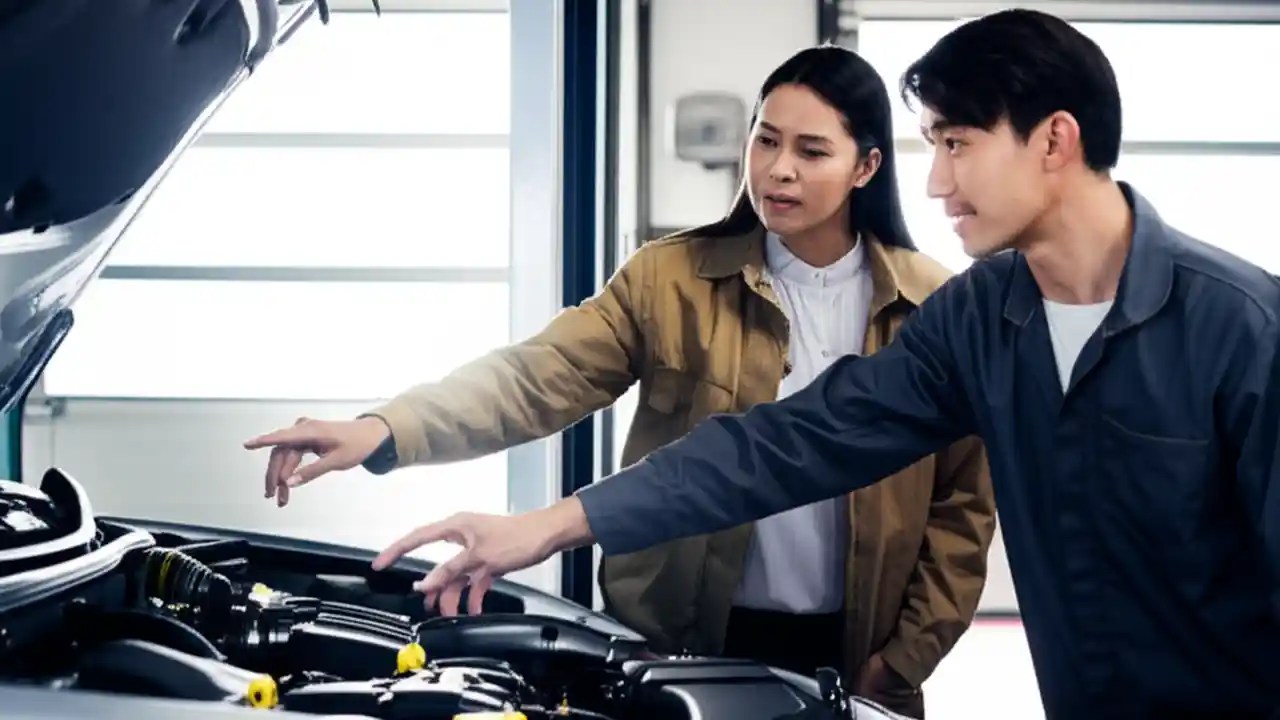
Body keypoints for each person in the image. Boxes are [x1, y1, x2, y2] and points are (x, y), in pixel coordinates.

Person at [364, 9, 1280, 720]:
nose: (936, 181)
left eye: (957, 144)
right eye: (933, 147)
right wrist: (553, 525)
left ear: (1054, 140)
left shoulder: (1245, 330)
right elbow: (788, 444)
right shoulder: (978, 320)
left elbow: (960, 519)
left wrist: (903, 658)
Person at [245, 45, 995, 717]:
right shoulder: (670, 278)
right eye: (765, 139)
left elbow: (964, 509)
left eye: (811, 150)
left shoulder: (934, 305)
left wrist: (900, 662)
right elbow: (538, 375)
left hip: (852, 656)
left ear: (866, 167)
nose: (778, 169)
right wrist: (385, 428)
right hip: (678, 642)